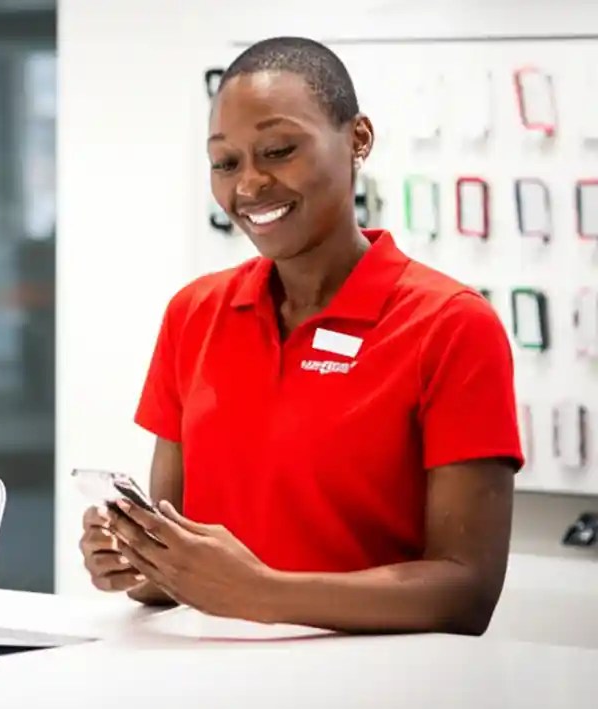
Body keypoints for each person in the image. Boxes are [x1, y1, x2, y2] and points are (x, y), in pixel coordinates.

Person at [79, 37, 522, 636]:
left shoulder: (452, 325)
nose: (250, 186)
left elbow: (466, 590)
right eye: (225, 162)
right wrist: (138, 561)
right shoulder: (194, 314)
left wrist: (263, 594)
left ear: (358, 140)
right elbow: (179, 569)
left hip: (380, 688)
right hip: (208, 678)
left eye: (279, 151)